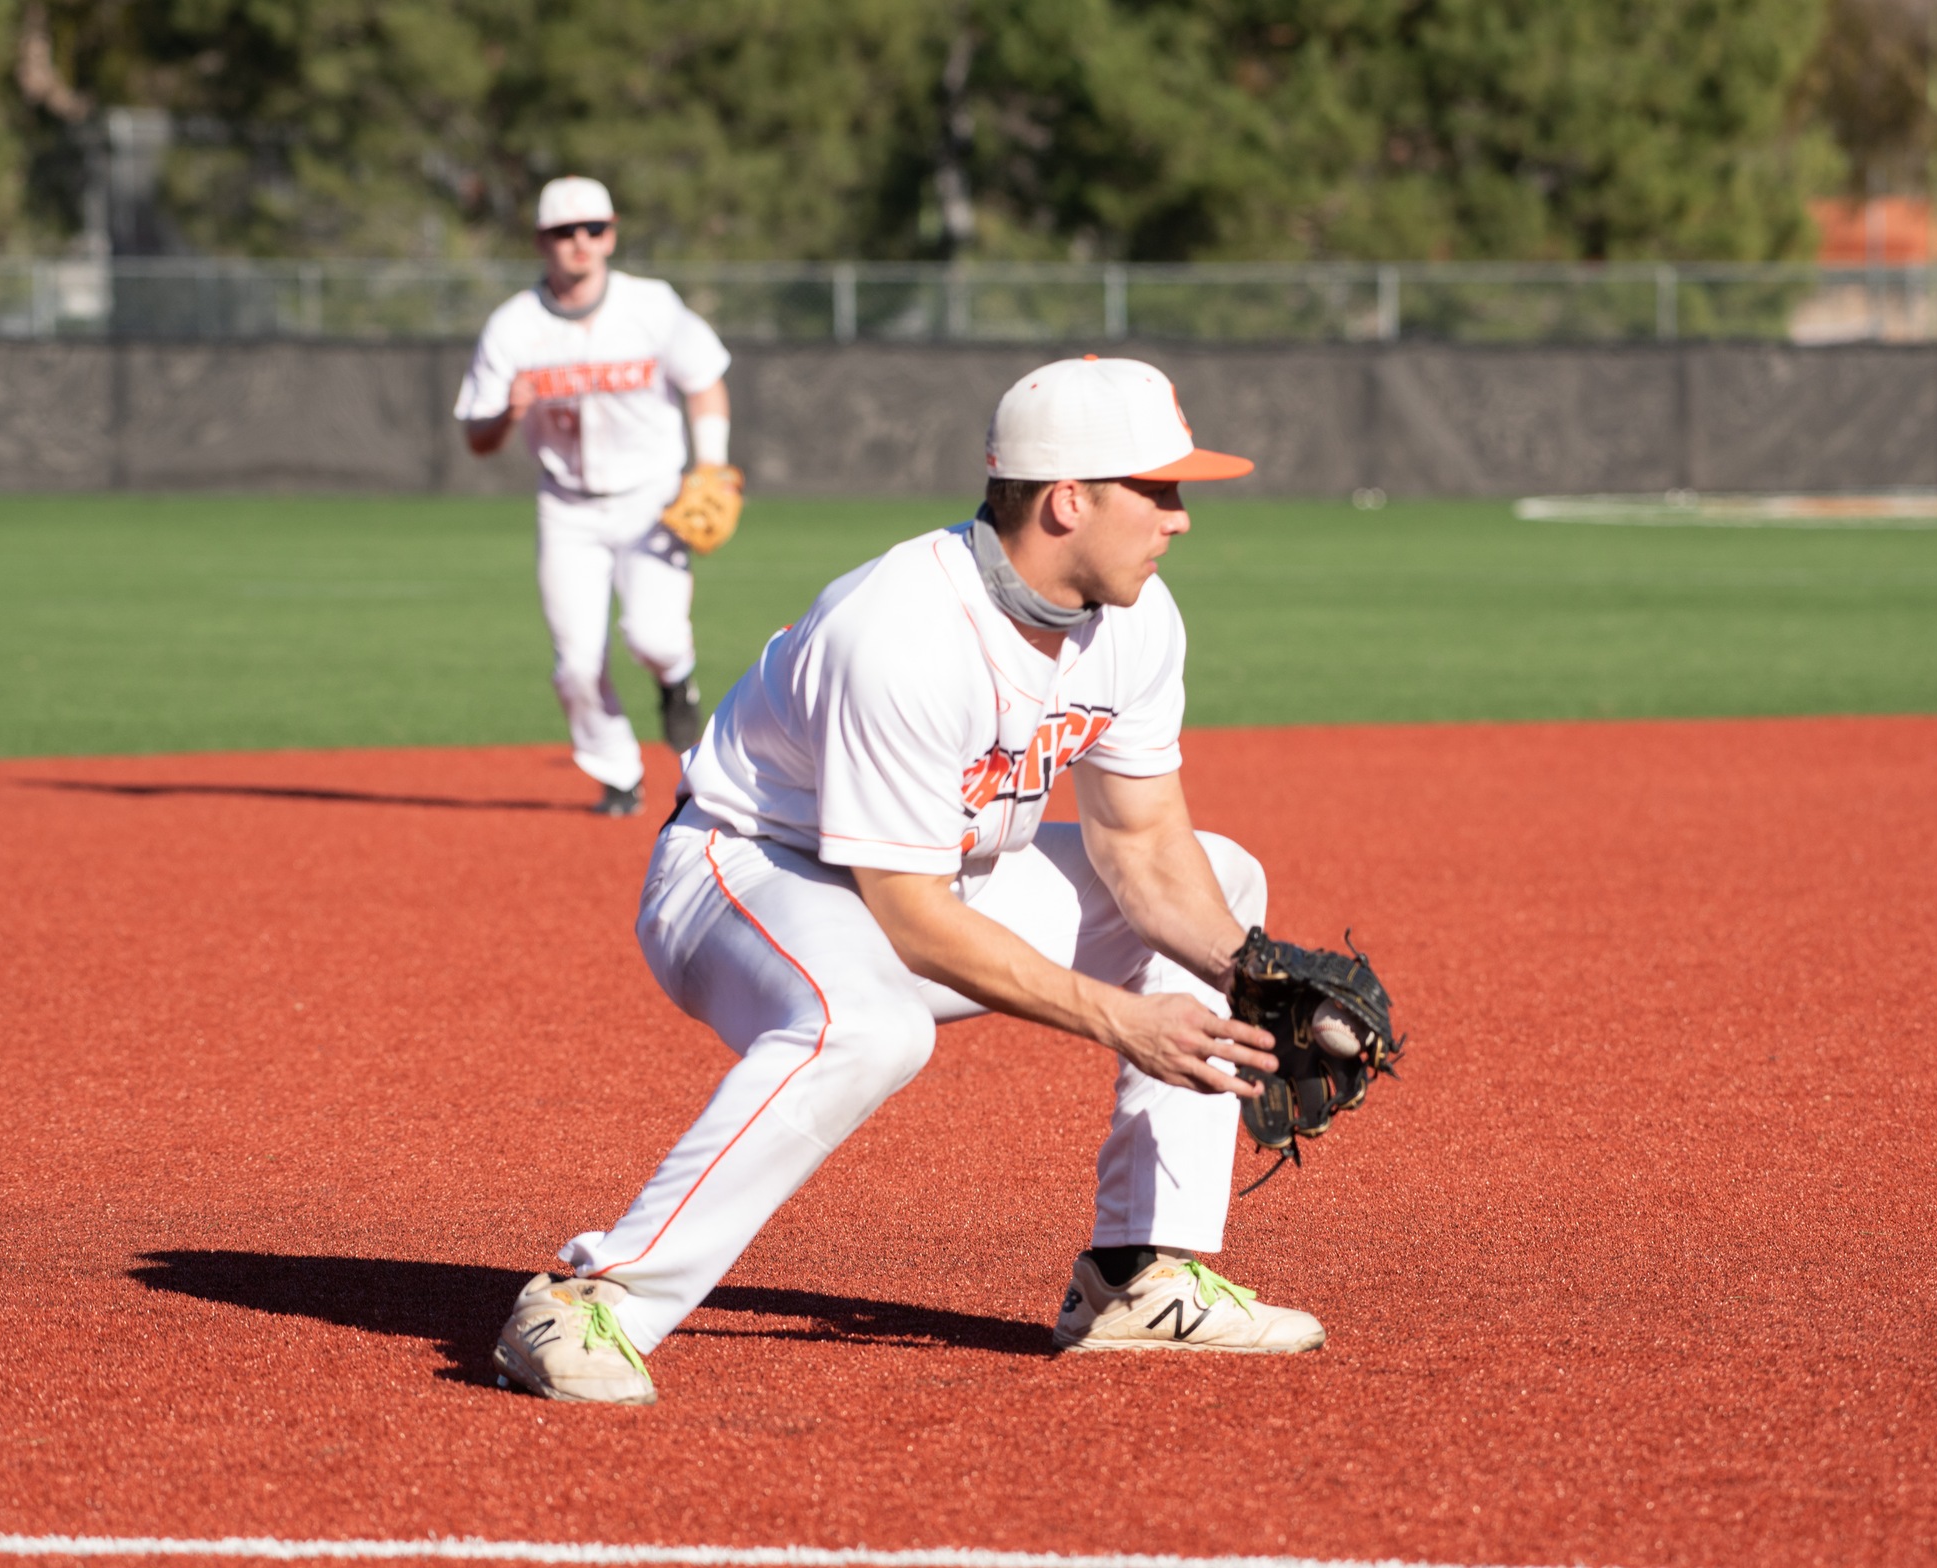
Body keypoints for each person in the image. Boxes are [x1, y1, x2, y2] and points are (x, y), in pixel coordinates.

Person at [494, 356, 1323, 1406]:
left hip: (932, 874)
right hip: (744, 871)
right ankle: (592, 1296)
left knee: (1226, 877)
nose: (1180, 517)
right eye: (1157, 489)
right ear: (1070, 499)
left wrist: (1250, 975)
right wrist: (1127, 1018)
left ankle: (1138, 1272)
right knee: (871, 1024)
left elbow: (1148, 844)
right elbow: (915, 922)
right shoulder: (900, 631)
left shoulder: (1138, 620)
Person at [455, 176, 734, 815]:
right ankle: (616, 772)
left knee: (655, 636)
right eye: (563, 232)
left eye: (593, 229)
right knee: (575, 664)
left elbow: (705, 380)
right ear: (540, 241)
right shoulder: (513, 327)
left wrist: (712, 466)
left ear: (610, 235)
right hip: (568, 505)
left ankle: (675, 681)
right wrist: (504, 416)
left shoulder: (650, 305)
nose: (580, 243)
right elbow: (477, 436)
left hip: (652, 495)